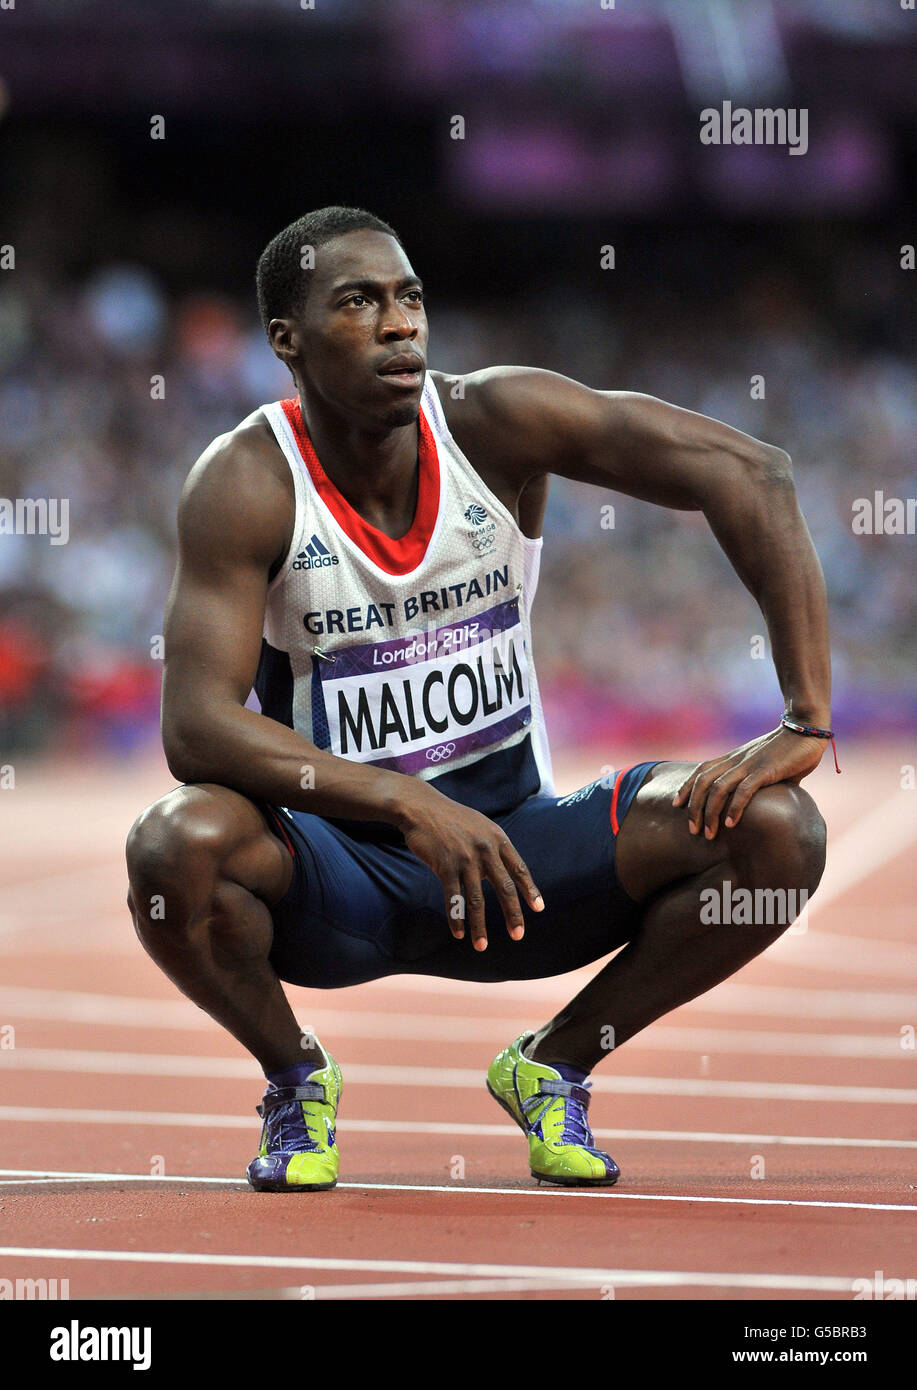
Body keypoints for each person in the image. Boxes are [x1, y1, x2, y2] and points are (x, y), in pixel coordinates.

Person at [126, 206, 830, 1192]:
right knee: (173, 845)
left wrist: (805, 716)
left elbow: (750, 471)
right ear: (285, 337)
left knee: (777, 831)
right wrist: (406, 801)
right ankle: (294, 1078)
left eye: (409, 297)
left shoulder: (495, 424)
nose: (399, 324)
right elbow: (194, 724)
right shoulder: (246, 481)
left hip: (516, 864)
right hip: (338, 879)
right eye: (359, 302)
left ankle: (556, 1064)